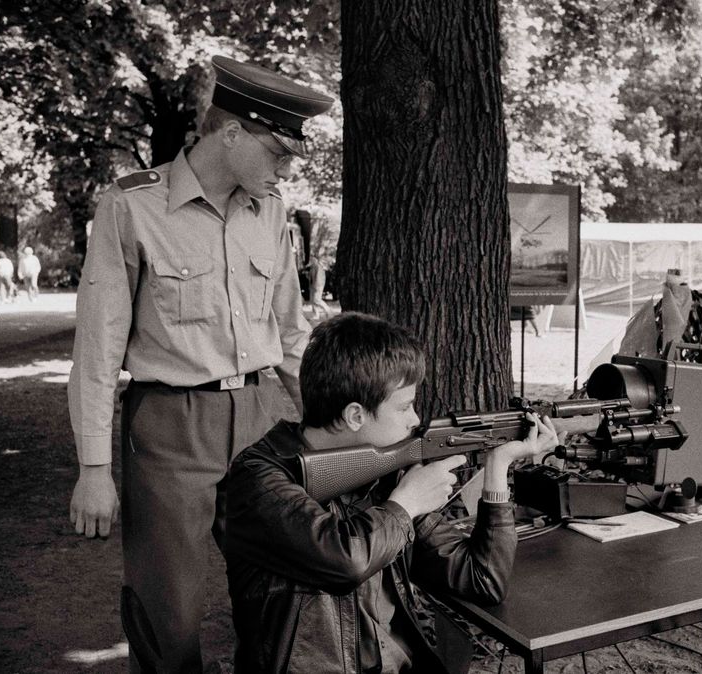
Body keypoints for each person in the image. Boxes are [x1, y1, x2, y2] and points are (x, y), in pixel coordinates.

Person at [66, 54, 334, 673]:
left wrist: (324, 423)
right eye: (279, 153)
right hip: (171, 425)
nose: (286, 169)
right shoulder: (132, 205)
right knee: (169, 611)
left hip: (263, 420)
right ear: (232, 132)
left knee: (278, 598)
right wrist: (93, 469)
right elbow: (98, 348)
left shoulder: (271, 212)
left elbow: (290, 334)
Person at [224, 312, 559, 673]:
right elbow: (345, 560)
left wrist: (497, 467)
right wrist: (406, 503)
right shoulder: (257, 480)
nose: (415, 419)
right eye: (403, 407)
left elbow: (482, 580)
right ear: (355, 416)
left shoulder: (385, 475)